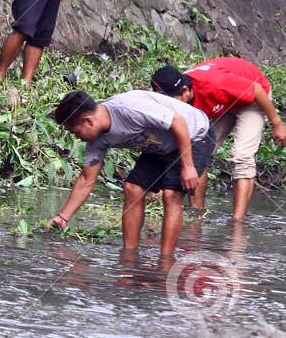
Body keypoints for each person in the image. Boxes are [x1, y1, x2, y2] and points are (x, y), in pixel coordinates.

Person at [49, 88, 215, 266]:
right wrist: (62, 217)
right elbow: (86, 180)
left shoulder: (130, 109)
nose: (78, 138)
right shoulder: (96, 140)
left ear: (88, 121)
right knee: (132, 188)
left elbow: (178, 121)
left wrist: (188, 166)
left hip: (194, 134)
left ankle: (165, 262)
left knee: (171, 194)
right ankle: (129, 257)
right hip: (158, 146)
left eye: (76, 133)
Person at [150, 58, 286, 221]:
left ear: (185, 91)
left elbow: (256, 89)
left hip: (254, 98)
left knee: (242, 156)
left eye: (173, 102)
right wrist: (157, 185)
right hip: (222, 102)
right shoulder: (176, 91)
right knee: (198, 154)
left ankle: (238, 222)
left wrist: (277, 123)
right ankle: (197, 214)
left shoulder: (215, 84)